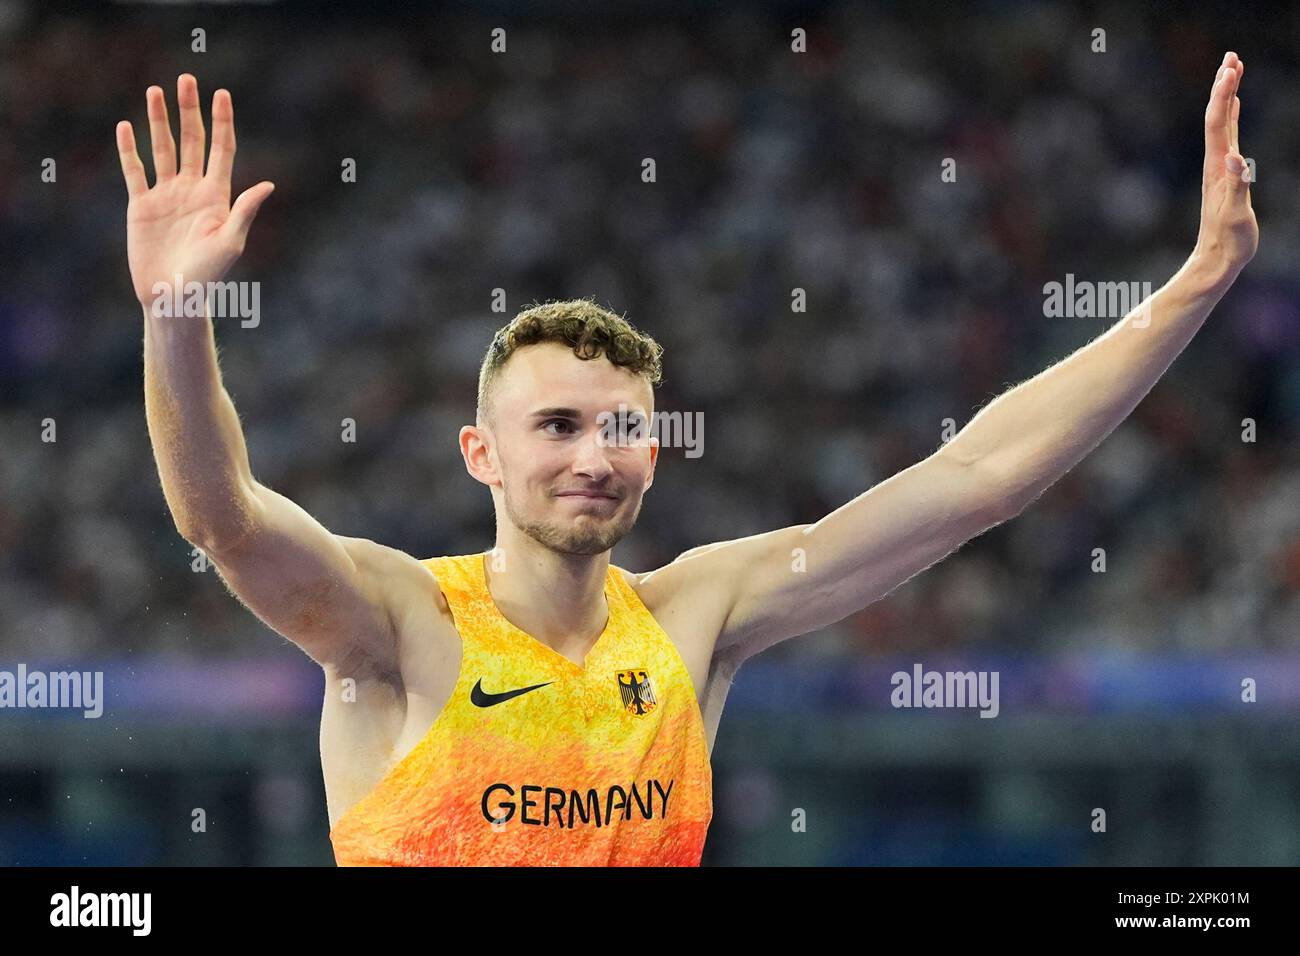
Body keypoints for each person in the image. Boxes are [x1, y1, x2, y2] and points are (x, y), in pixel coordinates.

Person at [116, 55, 1257, 865]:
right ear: (482, 454)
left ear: (654, 451)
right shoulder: (399, 621)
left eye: (620, 427)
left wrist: (1197, 280)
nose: (592, 457)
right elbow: (224, 519)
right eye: (556, 426)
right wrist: (175, 317)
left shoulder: (694, 616)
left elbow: (977, 480)